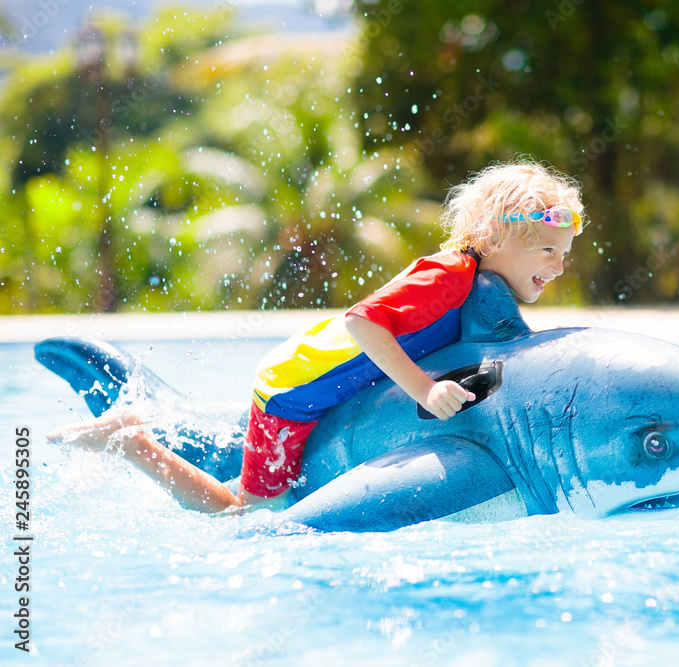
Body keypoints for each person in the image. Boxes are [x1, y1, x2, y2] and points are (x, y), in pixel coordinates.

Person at [46, 159, 585, 514]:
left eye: (563, 254)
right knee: (247, 519)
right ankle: (133, 441)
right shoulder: (448, 275)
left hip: (330, 388)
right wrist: (424, 390)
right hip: (291, 395)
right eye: (546, 251)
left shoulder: (479, 286)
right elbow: (362, 321)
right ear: (494, 236)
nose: (558, 267)